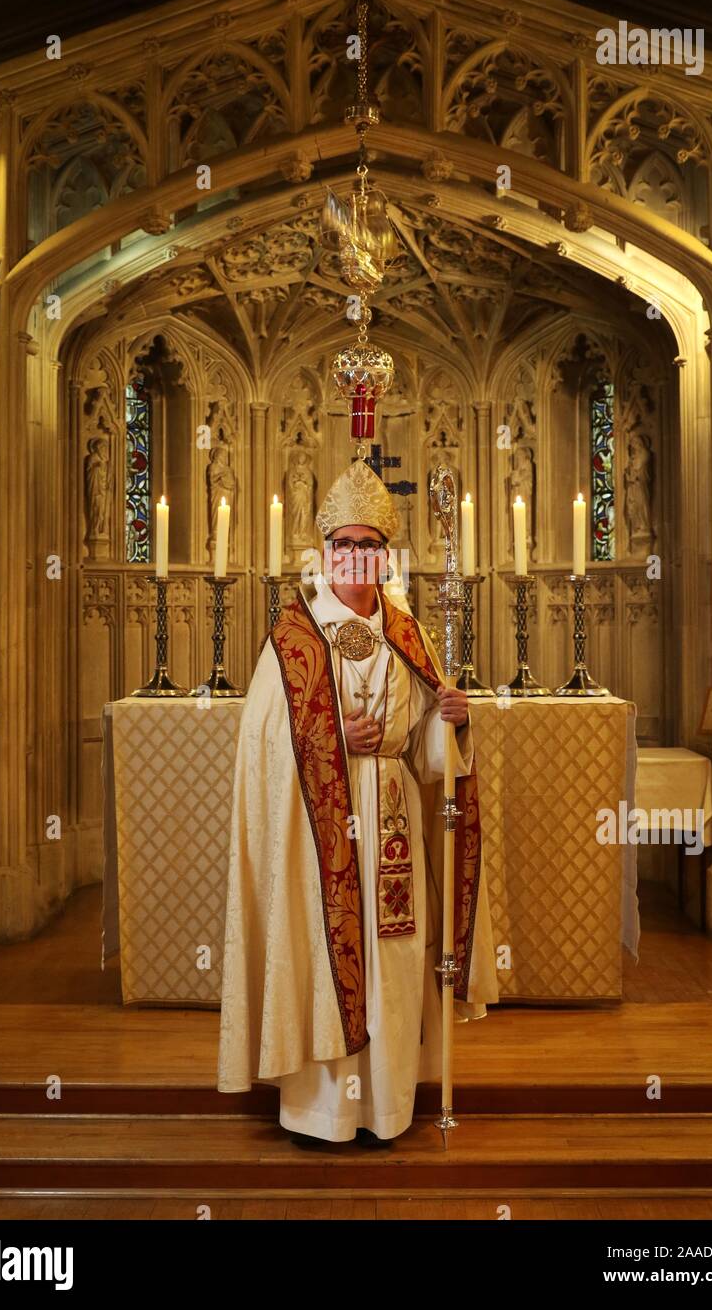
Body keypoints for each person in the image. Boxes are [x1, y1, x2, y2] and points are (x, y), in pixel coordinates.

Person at [217, 458, 497, 1148]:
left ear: (386, 555)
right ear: (323, 554)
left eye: (371, 545)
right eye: (345, 544)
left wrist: (452, 720)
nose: (357, 558)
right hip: (319, 833)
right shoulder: (295, 637)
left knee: (396, 959)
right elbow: (262, 744)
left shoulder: (410, 633)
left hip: (394, 811)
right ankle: (325, 1113)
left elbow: (433, 761)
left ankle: (388, 1105)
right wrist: (334, 737)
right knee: (326, 956)